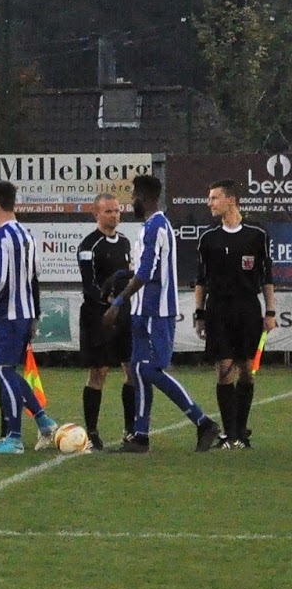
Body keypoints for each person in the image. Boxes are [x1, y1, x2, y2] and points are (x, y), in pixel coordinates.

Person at [104, 173, 221, 453]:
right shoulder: (149, 226)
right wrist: (120, 276)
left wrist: (118, 301)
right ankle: (141, 436)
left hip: (156, 310)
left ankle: (203, 422)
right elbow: (144, 269)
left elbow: (146, 273)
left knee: (150, 369)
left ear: (145, 198)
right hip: (142, 310)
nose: (131, 201)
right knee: (137, 370)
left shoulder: (156, 226)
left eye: (134, 196)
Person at [0, 180, 58, 454]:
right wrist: (34, 313)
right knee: (7, 370)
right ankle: (43, 421)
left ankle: (14, 437)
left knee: (1, 370)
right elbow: (34, 276)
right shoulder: (27, 236)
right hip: (24, 313)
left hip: (8, 315)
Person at [194, 178, 275, 449]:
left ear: (230, 200)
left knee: (247, 370)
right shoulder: (208, 237)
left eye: (214, 198)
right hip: (218, 309)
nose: (210, 203)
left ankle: (241, 431)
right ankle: (229, 434)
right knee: (224, 369)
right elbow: (201, 280)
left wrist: (270, 311)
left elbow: (267, 276)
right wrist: (199, 314)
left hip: (248, 308)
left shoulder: (257, 234)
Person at [76, 193, 134, 451]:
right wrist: (106, 300)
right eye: (108, 211)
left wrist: (122, 301)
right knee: (98, 372)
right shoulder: (89, 246)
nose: (114, 215)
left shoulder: (125, 242)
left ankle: (130, 430)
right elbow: (89, 284)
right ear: (96, 214)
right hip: (98, 316)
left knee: (132, 370)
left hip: (124, 314)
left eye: (117, 210)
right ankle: (92, 432)